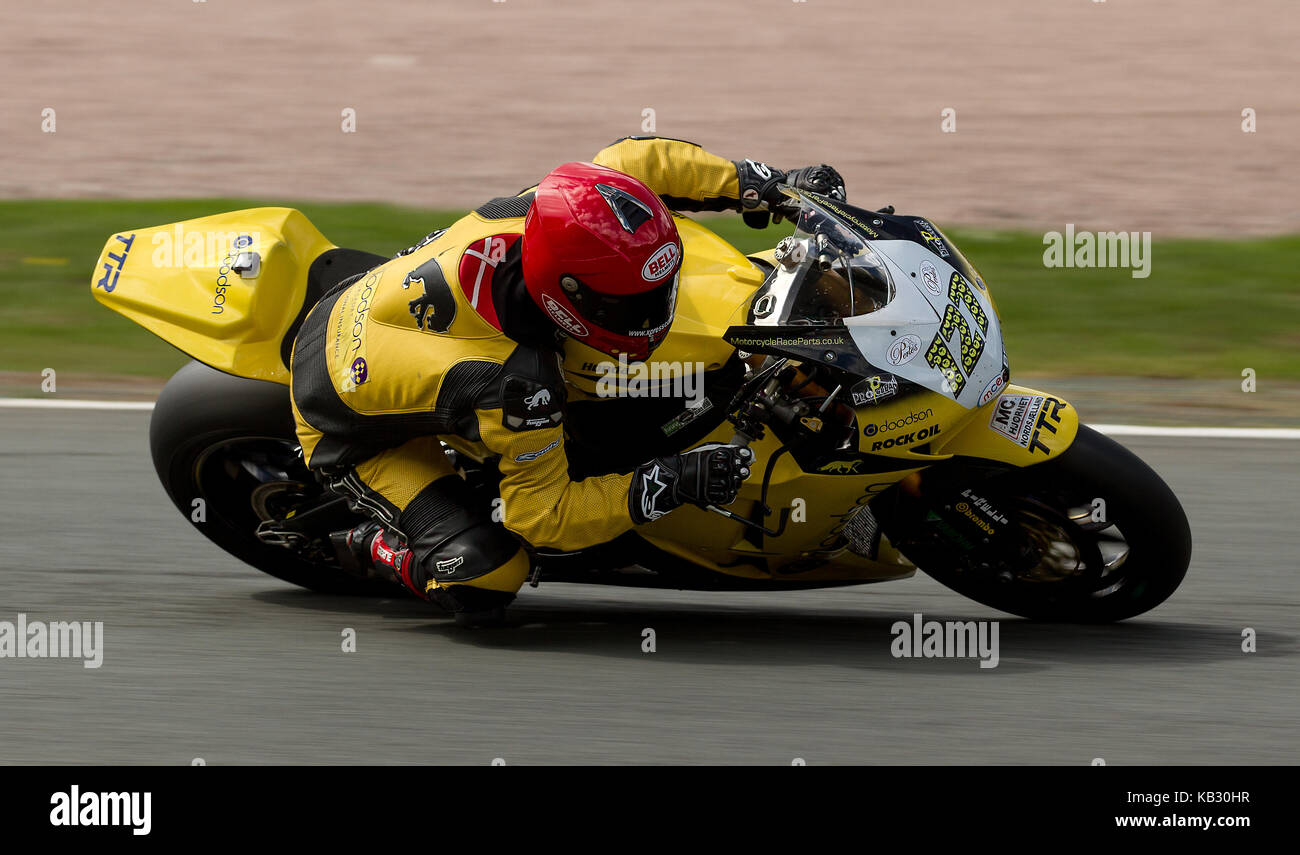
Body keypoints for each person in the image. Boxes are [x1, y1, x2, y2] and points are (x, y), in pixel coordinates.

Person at [288, 136, 845, 623]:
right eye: (633, 304)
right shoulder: (516, 383)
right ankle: (381, 544)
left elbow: (629, 162)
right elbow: (542, 518)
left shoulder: (548, 210)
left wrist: (762, 184)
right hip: (340, 416)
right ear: (567, 294)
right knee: (485, 576)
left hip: (380, 310)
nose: (657, 311)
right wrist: (673, 480)